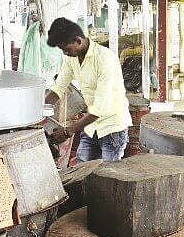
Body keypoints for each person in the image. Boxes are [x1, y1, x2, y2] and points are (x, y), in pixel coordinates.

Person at [44, 17, 131, 162]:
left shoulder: (105, 58)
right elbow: (58, 88)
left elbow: (99, 108)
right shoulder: (72, 58)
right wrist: (39, 111)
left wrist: (68, 131)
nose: (65, 53)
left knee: (108, 176)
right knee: (81, 170)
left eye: (66, 49)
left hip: (112, 127)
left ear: (78, 40)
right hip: (91, 126)